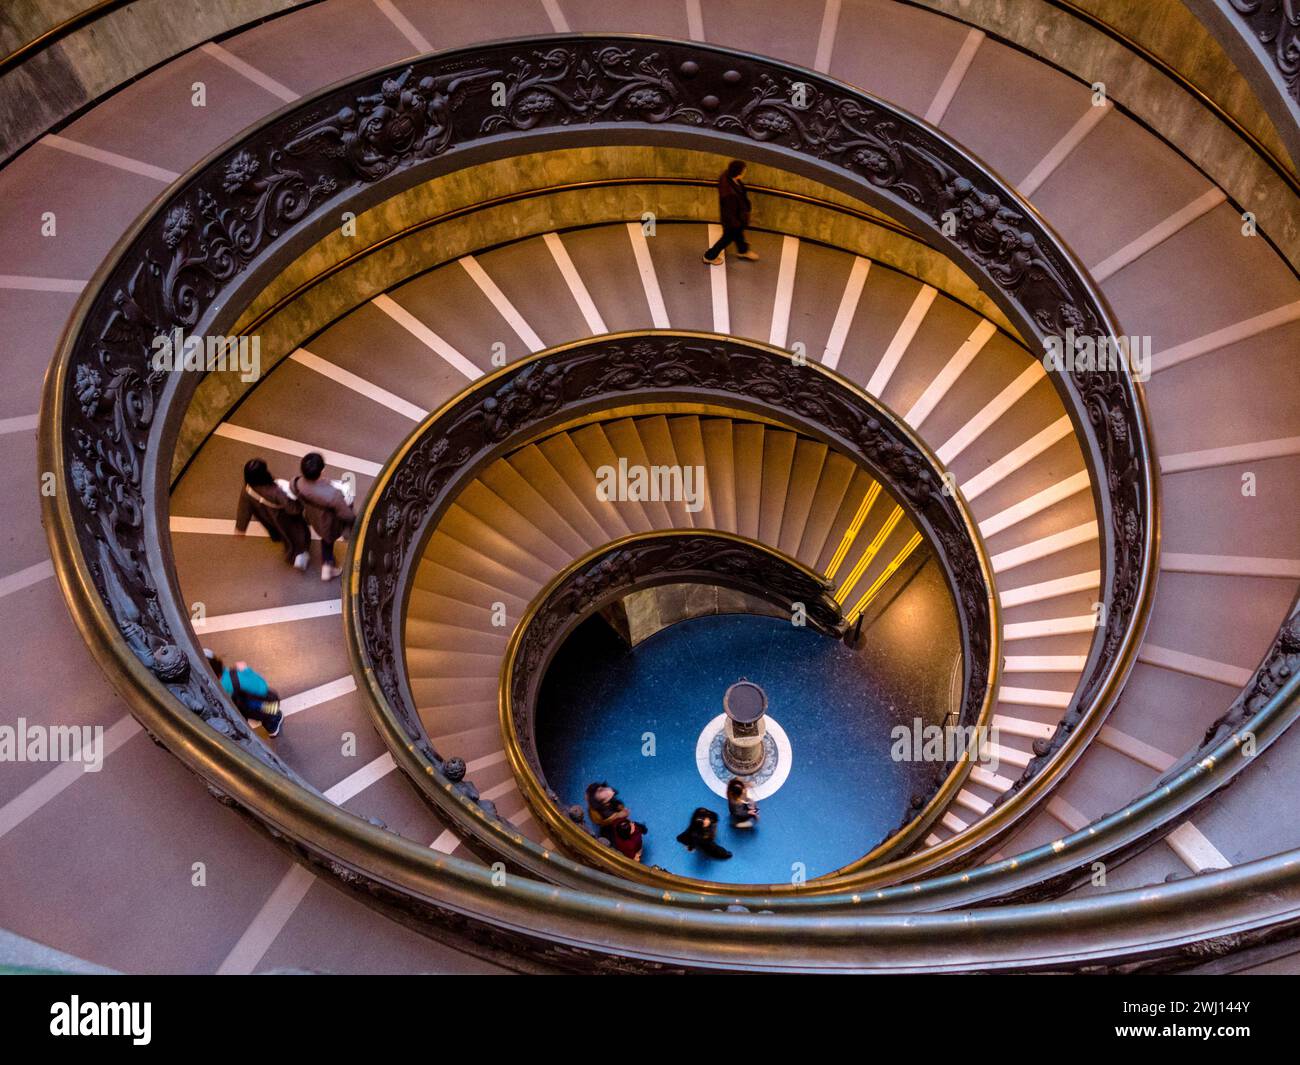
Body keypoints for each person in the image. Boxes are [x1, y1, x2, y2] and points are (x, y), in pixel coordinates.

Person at [234, 457, 311, 570]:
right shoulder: (275, 491)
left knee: (278, 531)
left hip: (266, 516)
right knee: (295, 536)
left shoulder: (248, 489)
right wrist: (300, 505)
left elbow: (244, 508)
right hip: (284, 519)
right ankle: (295, 556)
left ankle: (277, 537)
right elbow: (292, 509)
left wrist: (240, 528)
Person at [292, 452, 355, 581]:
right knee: (327, 542)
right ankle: (327, 568)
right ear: (322, 470)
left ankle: (326, 566)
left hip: (313, 518)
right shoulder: (333, 495)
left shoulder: (298, 482)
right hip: (329, 524)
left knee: (325, 539)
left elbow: (293, 490)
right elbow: (346, 514)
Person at [205, 649, 284, 736]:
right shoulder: (234, 678)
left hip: (238, 709)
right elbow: (262, 687)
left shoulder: (207, 685)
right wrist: (246, 670)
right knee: (268, 713)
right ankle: (273, 727)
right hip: (255, 706)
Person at [703, 160, 760, 265]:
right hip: (733, 221)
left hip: (736, 219)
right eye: (743, 171)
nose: (745, 172)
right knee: (726, 239)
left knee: (738, 236)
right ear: (738, 174)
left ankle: (743, 250)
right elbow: (730, 211)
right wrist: (738, 223)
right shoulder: (730, 194)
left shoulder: (728, 177)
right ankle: (709, 256)